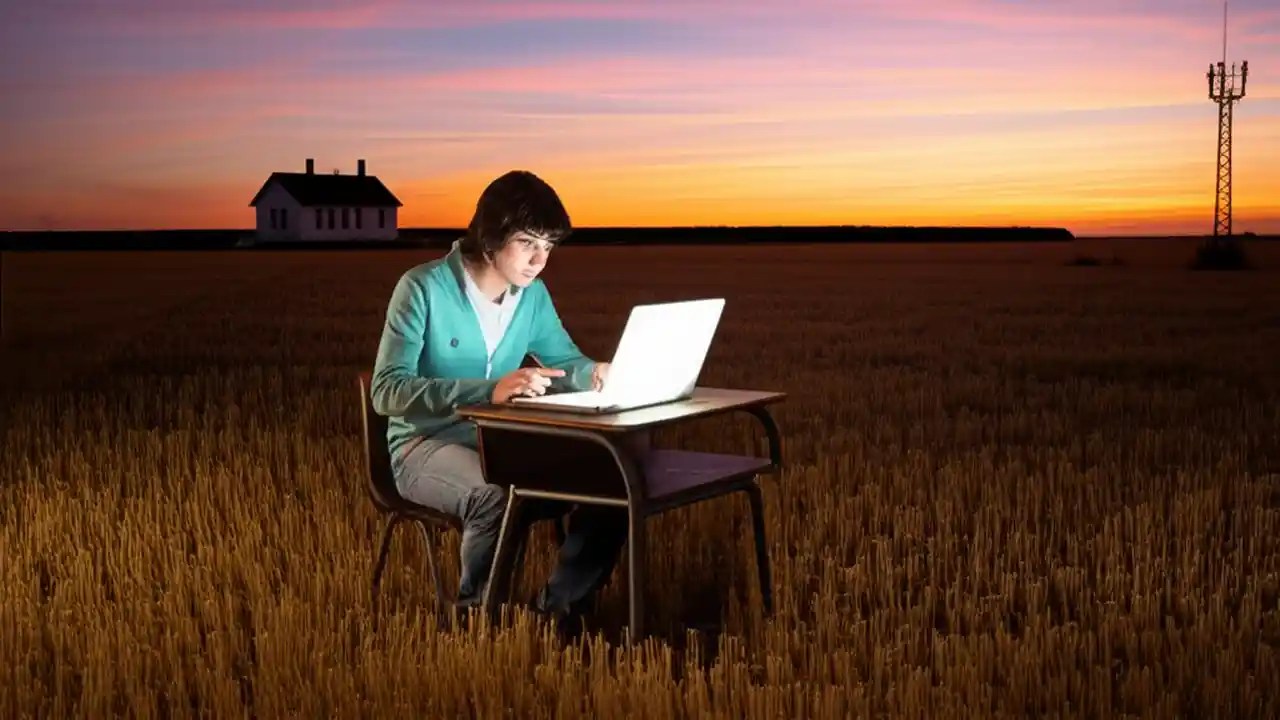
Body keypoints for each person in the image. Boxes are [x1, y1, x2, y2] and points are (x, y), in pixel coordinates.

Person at [370, 170, 628, 631]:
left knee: (610, 480)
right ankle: (478, 621)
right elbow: (387, 390)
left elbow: (563, 360)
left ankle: (558, 610)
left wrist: (593, 372)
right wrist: (487, 391)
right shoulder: (422, 288)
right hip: (421, 447)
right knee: (493, 496)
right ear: (492, 234)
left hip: (502, 441)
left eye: (549, 247)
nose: (539, 260)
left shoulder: (532, 296)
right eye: (528, 242)